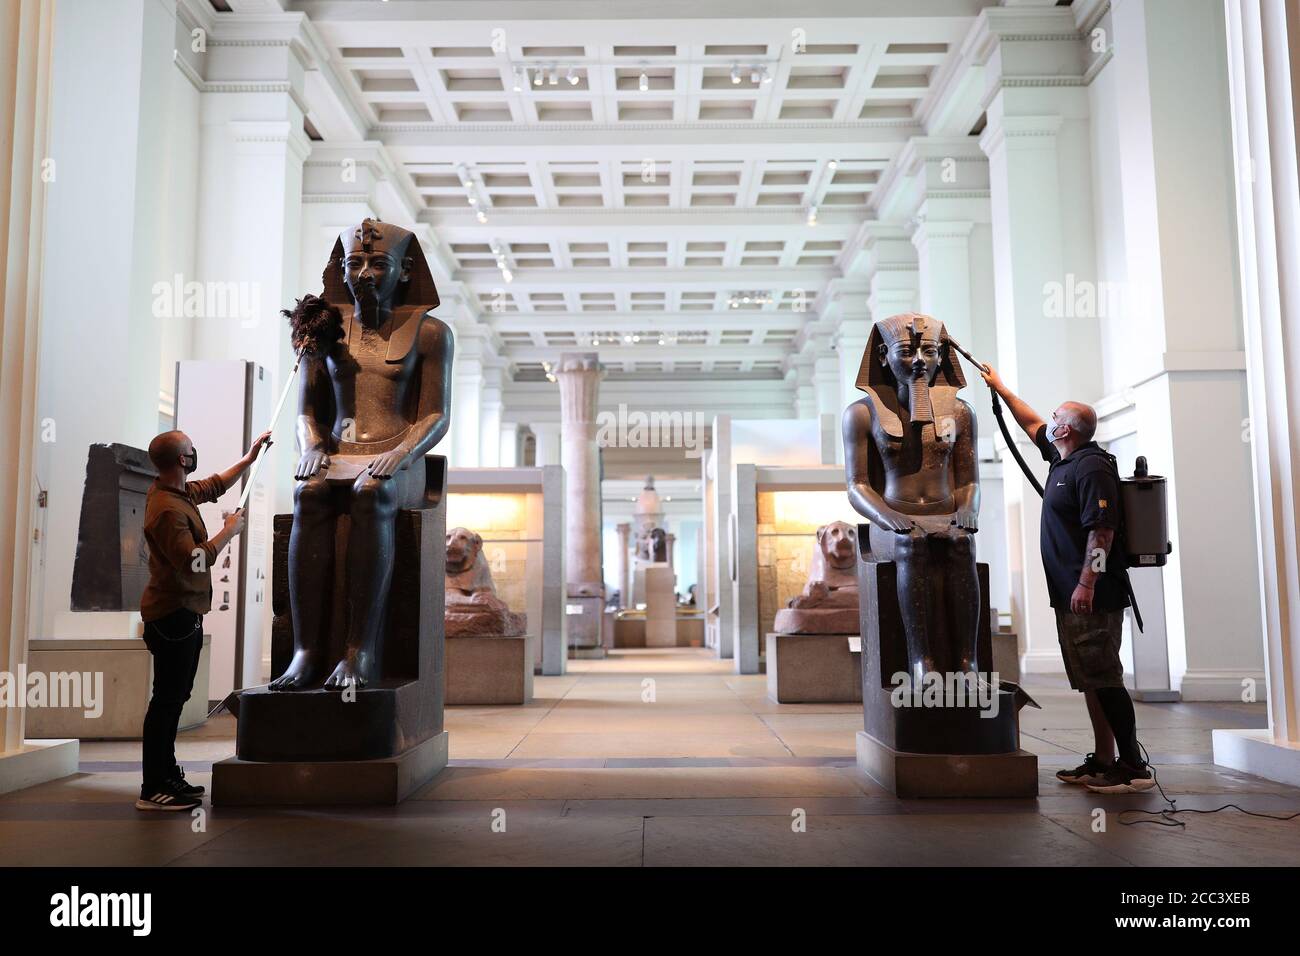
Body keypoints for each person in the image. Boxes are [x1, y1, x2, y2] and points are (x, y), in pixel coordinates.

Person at [979, 366, 1154, 794]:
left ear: (1066, 428)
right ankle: (1104, 759)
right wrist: (1000, 389)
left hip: (1093, 595)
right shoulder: (1063, 458)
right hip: (1072, 594)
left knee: (1106, 678)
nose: (1047, 420)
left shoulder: (1090, 466)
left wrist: (1087, 583)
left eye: (1055, 416)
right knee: (1091, 679)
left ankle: (1133, 767)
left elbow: (1103, 531)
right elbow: (1030, 422)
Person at [135, 428, 271, 810]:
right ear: (182, 459)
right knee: (166, 701)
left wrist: (249, 459)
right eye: (191, 449)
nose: (195, 453)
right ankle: (154, 787)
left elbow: (213, 486)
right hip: (171, 616)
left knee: (175, 697)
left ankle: (167, 774)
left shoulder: (177, 492)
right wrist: (228, 532)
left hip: (185, 612)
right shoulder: (166, 509)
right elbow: (193, 559)